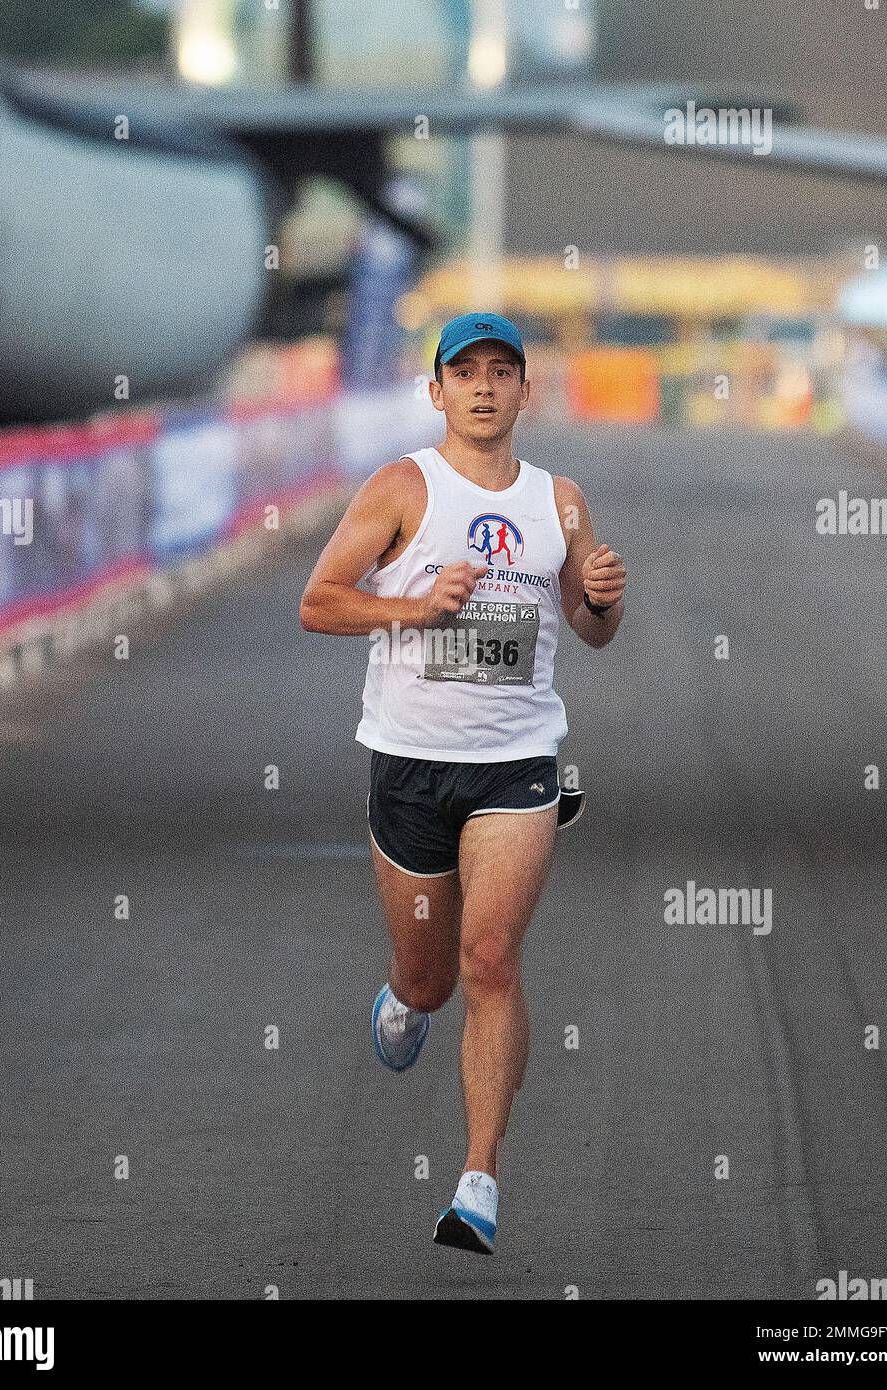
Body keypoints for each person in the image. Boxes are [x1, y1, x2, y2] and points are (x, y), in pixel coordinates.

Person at [300, 312, 626, 1255]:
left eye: (503, 371)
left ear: (527, 391)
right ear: (436, 391)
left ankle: (478, 1178)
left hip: (519, 763)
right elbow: (318, 602)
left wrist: (604, 596)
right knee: (434, 977)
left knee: (491, 960)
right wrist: (414, 603)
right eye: (466, 372)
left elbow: (592, 629)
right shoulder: (404, 486)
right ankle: (403, 998)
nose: (485, 387)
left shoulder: (561, 501)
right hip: (408, 763)